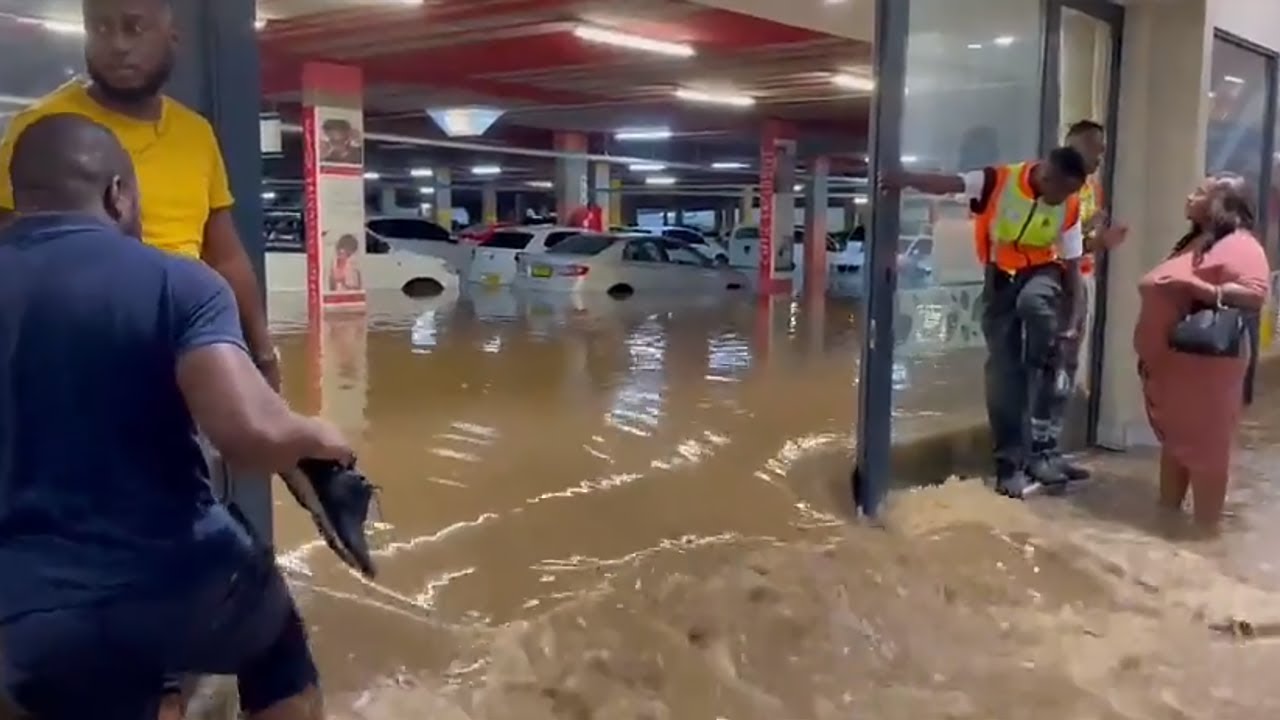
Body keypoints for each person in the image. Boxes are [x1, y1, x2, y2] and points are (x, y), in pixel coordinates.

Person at [0, 113, 345, 720]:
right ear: (118, 194)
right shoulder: (179, 282)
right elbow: (247, 436)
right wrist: (320, 437)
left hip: (26, 610)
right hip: (185, 582)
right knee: (277, 650)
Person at [0, 0, 280, 391]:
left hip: (189, 347)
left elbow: (227, 255)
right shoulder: (44, 129)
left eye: (134, 28)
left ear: (172, 38)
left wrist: (263, 353)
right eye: (99, 28)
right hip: (84, 356)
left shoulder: (195, 134)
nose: (116, 44)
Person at [882, 147, 1089, 498]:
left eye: (1072, 193)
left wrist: (1071, 325)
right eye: (1063, 191)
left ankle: (1042, 364)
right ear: (1047, 176)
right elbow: (950, 183)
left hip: (1042, 273)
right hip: (1000, 280)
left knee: (1036, 306)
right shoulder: (999, 181)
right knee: (1003, 376)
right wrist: (904, 180)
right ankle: (1009, 466)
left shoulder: (1068, 206)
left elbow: (1072, 268)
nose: (1066, 199)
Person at [1135, 173, 1269, 533]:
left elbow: (1255, 294)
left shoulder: (1241, 244)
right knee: (1178, 446)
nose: (1190, 196)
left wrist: (1197, 288)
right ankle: (1167, 527)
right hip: (1175, 369)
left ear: (1222, 204)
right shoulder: (1199, 241)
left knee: (1207, 453)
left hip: (1205, 370)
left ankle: (1206, 541)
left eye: (1200, 193)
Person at [1044, 120, 1130, 480]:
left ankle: (1052, 448)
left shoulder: (1091, 187)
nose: (1100, 156)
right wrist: (1100, 241)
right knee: (1052, 364)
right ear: (1074, 144)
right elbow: (1056, 246)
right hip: (1060, 283)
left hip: (1082, 279)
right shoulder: (1056, 186)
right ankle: (1039, 452)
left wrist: (1094, 230)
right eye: (1095, 147)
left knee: (1068, 367)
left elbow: (1076, 239)